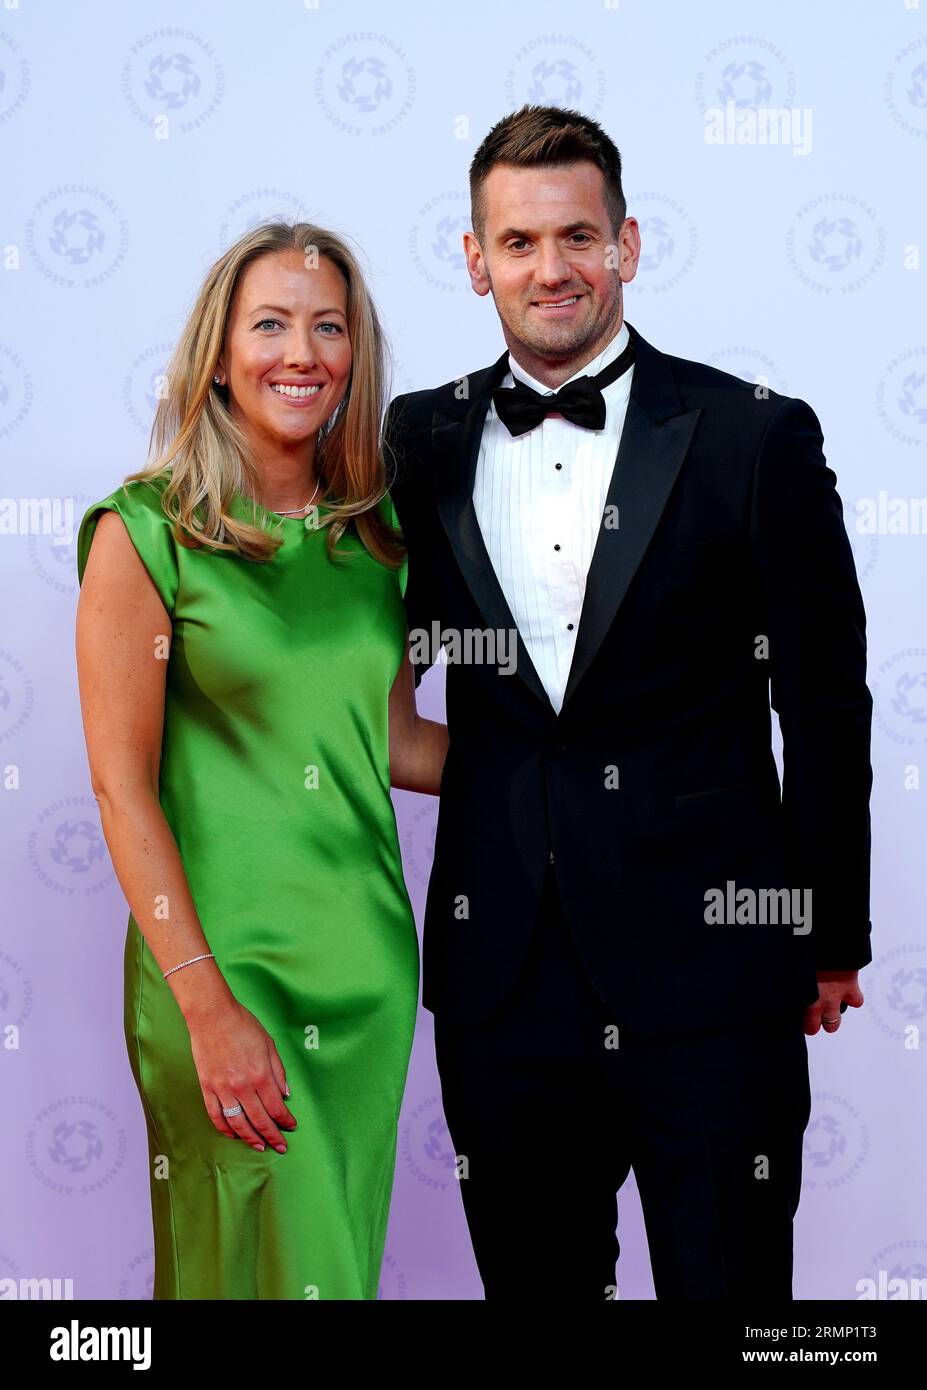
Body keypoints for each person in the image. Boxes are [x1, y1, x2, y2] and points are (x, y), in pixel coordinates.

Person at [387, 105, 872, 1299]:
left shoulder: (752, 433)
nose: (549, 269)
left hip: (715, 964)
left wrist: (828, 931)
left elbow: (824, 703)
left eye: (577, 236)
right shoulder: (417, 439)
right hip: (502, 973)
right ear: (473, 257)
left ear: (628, 244)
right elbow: (360, 657)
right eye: (517, 242)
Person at [75, 220, 447, 1300]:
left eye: (328, 326)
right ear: (219, 348)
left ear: (355, 352)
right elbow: (120, 784)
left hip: (365, 978)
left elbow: (391, 743)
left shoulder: (373, 542)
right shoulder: (144, 533)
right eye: (271, 323)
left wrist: (594, 759)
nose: (302, 351)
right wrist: (204, 1005)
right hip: (224, 977)